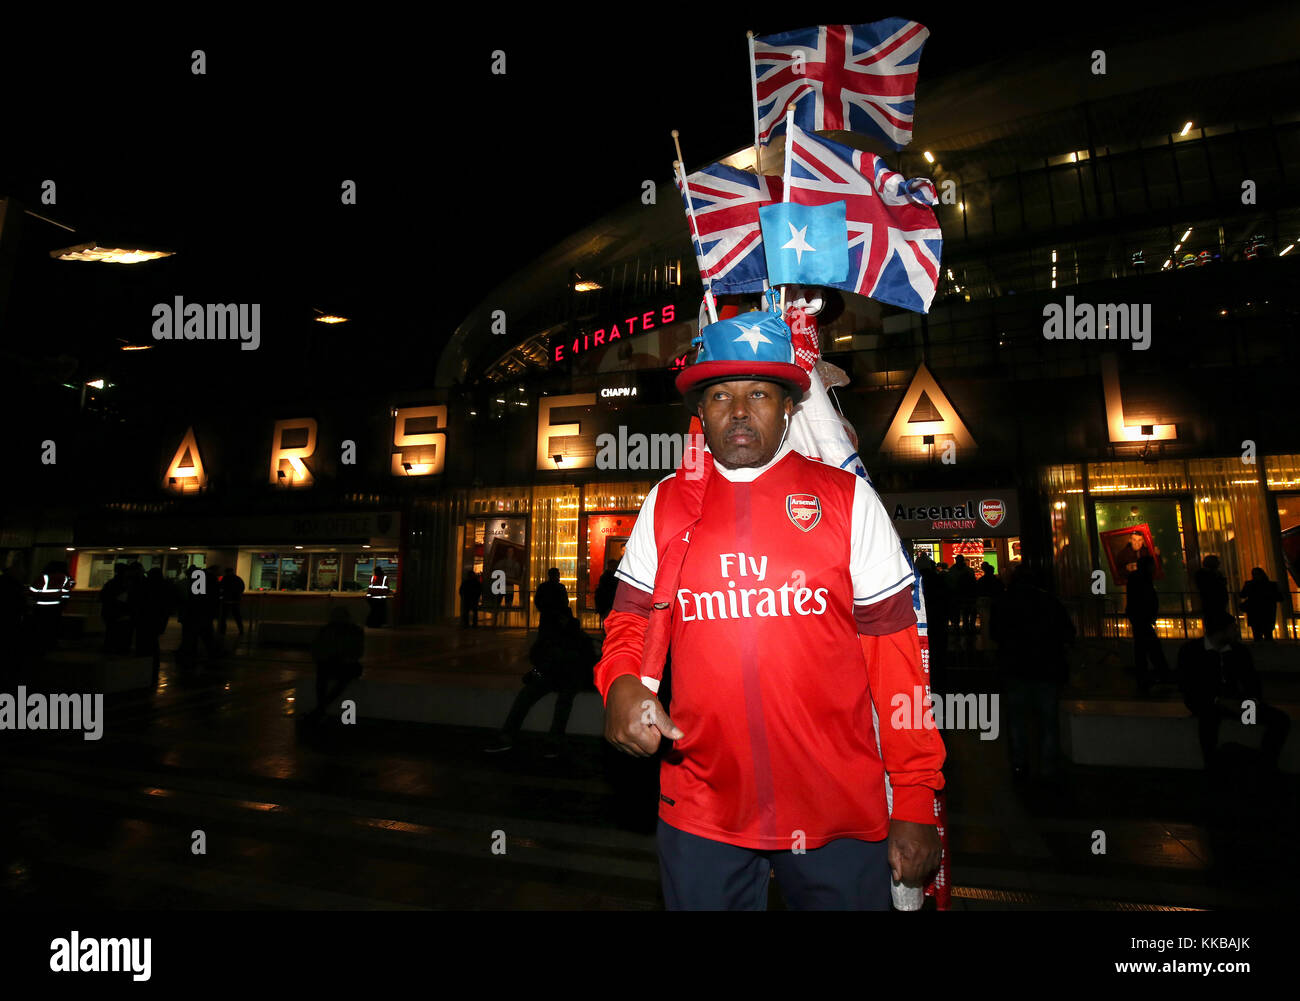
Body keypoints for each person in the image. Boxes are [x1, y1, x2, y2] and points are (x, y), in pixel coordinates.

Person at [595, 307, 944, 910]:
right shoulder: (666, 503)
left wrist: (913, 797)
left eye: (758, 392)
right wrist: (621, 682)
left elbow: (897, 662)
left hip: (838, 811)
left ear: (789, 405)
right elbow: (629, 619)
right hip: (702, 810)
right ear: (698, 412)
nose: (737, 410)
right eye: (720, 394)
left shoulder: (846, 499)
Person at [1176, 611, 1290, 771]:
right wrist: (1220, 701)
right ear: (1221, 631)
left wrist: (1249, 704)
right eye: (1233, 628)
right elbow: (1189, 686)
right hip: (1208, 702)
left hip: (1235, 702)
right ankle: (1214, 764)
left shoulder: (1238, 651)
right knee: (1209, 717)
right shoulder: (1192, 651)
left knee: (1280, 720)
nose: (1237, 631)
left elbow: (1252, 683)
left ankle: (1264, 762)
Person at [990, 564, 1075, 780]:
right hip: (1047, 666)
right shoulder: (1050, 602)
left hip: (1015, 667)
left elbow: (995, 632)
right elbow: (1067, 631)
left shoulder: (1005, 602)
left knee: (1017, 720)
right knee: (1048, 721)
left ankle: (1020, 763)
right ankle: (1048, 766)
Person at [485, 608, 597, 757]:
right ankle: (515, 735)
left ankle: (551, 738)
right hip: (556, 675)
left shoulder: (575, 637)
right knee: (528, 695)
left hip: (570, 676)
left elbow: (582, 662)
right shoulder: (554, 635)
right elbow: (537, 655)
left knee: (562, 700)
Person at [304, 605, 365, 725]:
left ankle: (321, 708)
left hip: (334, 664)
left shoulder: (327, 630)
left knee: (323, 678)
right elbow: (358, 651)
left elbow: (316, 649)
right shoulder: (354, 630)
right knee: (340, 680)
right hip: (343, 665)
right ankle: (321, 708)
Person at [1126, 553, 1172, 695]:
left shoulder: (1136, 578)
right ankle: (1159, 674)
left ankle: (1148, 676)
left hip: (1139, 617)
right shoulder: (1143, 579)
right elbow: (1145, 599)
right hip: (1142, 617)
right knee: (1150, 647)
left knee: (1143, 647)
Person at [1239, 567, 1280, 643]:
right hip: (1267, 610)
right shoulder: (1271, 585)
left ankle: (1261, 647)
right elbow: (1278, 597)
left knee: (1257, 634)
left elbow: (1242, 595)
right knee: (1268, 634)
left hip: (1254, 610)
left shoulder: (1249, 584)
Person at [99, 562, 132, 653]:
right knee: (120, 633)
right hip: (119, 612)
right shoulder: (125, 584)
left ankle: (109, 649)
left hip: (110, 612)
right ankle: (119, 649)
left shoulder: (111, 583)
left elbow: (103, 597)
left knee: (110, 632)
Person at [1194, 554, 1229, 619]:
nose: (1219, 563)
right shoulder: (1204, 574)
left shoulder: (1215, 573)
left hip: (1216, 602)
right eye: (1217, 561)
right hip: (1212, 602)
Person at [219, 566, 245, 638]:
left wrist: (222, 595)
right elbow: (242, 588)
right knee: (237, 616)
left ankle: (222, 631)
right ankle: (241, 630)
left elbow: (220, 588)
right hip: (235, 600)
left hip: (226, 600)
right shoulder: (238, 579)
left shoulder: (224, 579)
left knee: (223, 617)